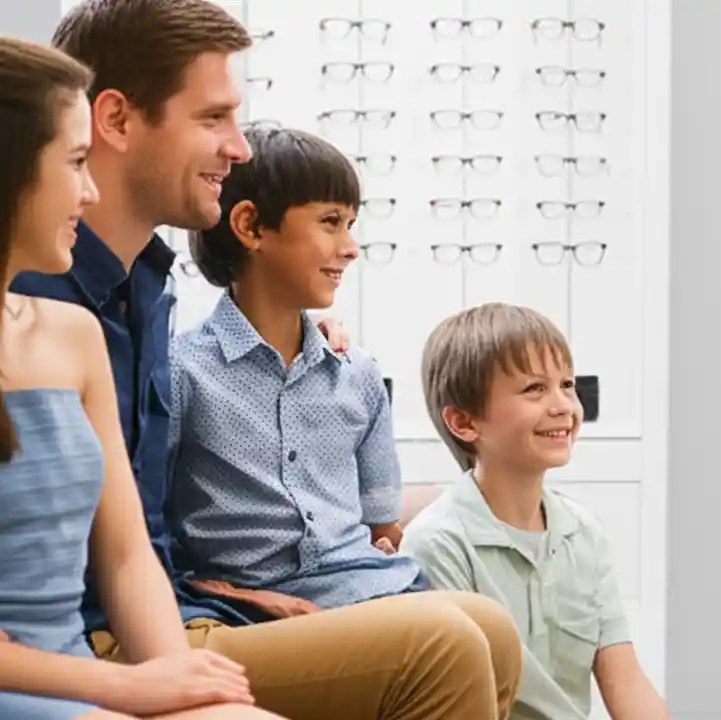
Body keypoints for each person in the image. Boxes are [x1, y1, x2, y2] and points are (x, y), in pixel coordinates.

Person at [10, 1, 521, 718]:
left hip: (170, 614)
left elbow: (140, 533)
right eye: (213, 117)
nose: (239, 148)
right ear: (117, 120)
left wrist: (214, 607)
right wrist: (160, 677)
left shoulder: (148, 292)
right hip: (95, 643)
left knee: (490, 627)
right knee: (441, 642)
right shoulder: (40, 303)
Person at [0, 34, 282, 720]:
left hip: (78, 680)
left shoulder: (72, 334)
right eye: (73, 162)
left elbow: (126, 554)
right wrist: (128, 689)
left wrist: (182, 682)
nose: (89, 188)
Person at [167, 124, 428, 614]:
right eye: (330, 222)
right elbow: (145, 531)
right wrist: (236, 595)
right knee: (459, 636)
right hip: (251, 611)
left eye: (350, 224)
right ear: (250, 227)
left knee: (490, 628)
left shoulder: (358, 376)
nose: (351, 247)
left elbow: (381, 527)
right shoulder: (182, 374)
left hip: (366, 590)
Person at [402, 303, 671, 720]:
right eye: (534, 389)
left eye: (567, 384)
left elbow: (626, 682)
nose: (564, 405)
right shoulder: (436, 545)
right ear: (464, 422)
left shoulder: (583, 533)